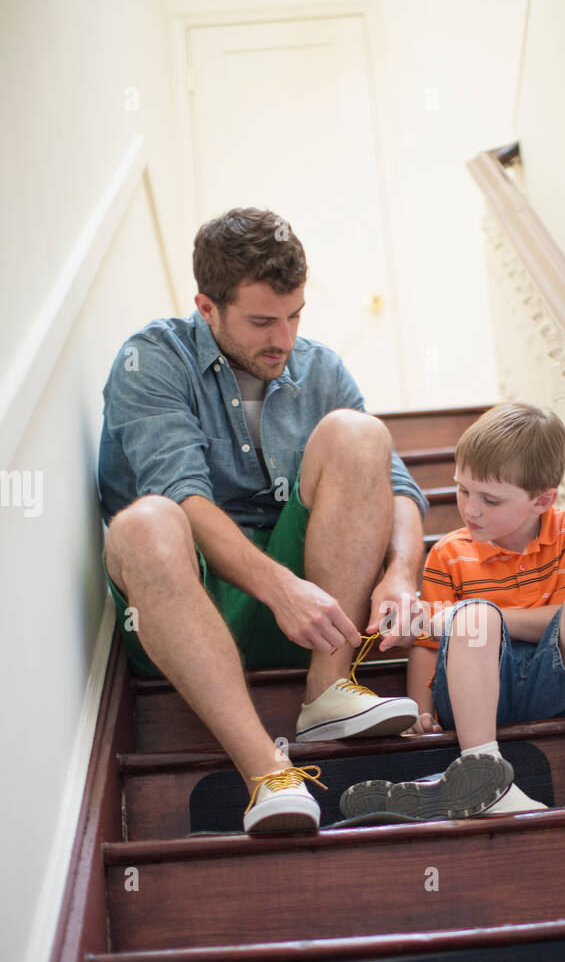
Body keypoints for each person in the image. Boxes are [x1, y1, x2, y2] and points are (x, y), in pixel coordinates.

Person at [98, 206, 428, 835]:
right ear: (207, 307)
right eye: (261, 321)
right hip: (188, 609)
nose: (283, 337)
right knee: (144, 522)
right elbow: (184, 498)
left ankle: (329, 693)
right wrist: (283, 589)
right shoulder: (152, 359)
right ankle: (267, 774)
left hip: (316, 618)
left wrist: (403, 572)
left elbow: (398, 484)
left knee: (360, 434)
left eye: (295, 315)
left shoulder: (320, 367)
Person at [339, 403, 565, 821]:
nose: (471, 509)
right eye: (462, 490)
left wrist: (463, 617)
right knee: (474, 618)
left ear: (542, 500)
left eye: (490, 499)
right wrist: (420, 710)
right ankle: (482, 776)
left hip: (553, 682)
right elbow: (425, 642)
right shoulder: (448, 553)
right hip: (473, 694)